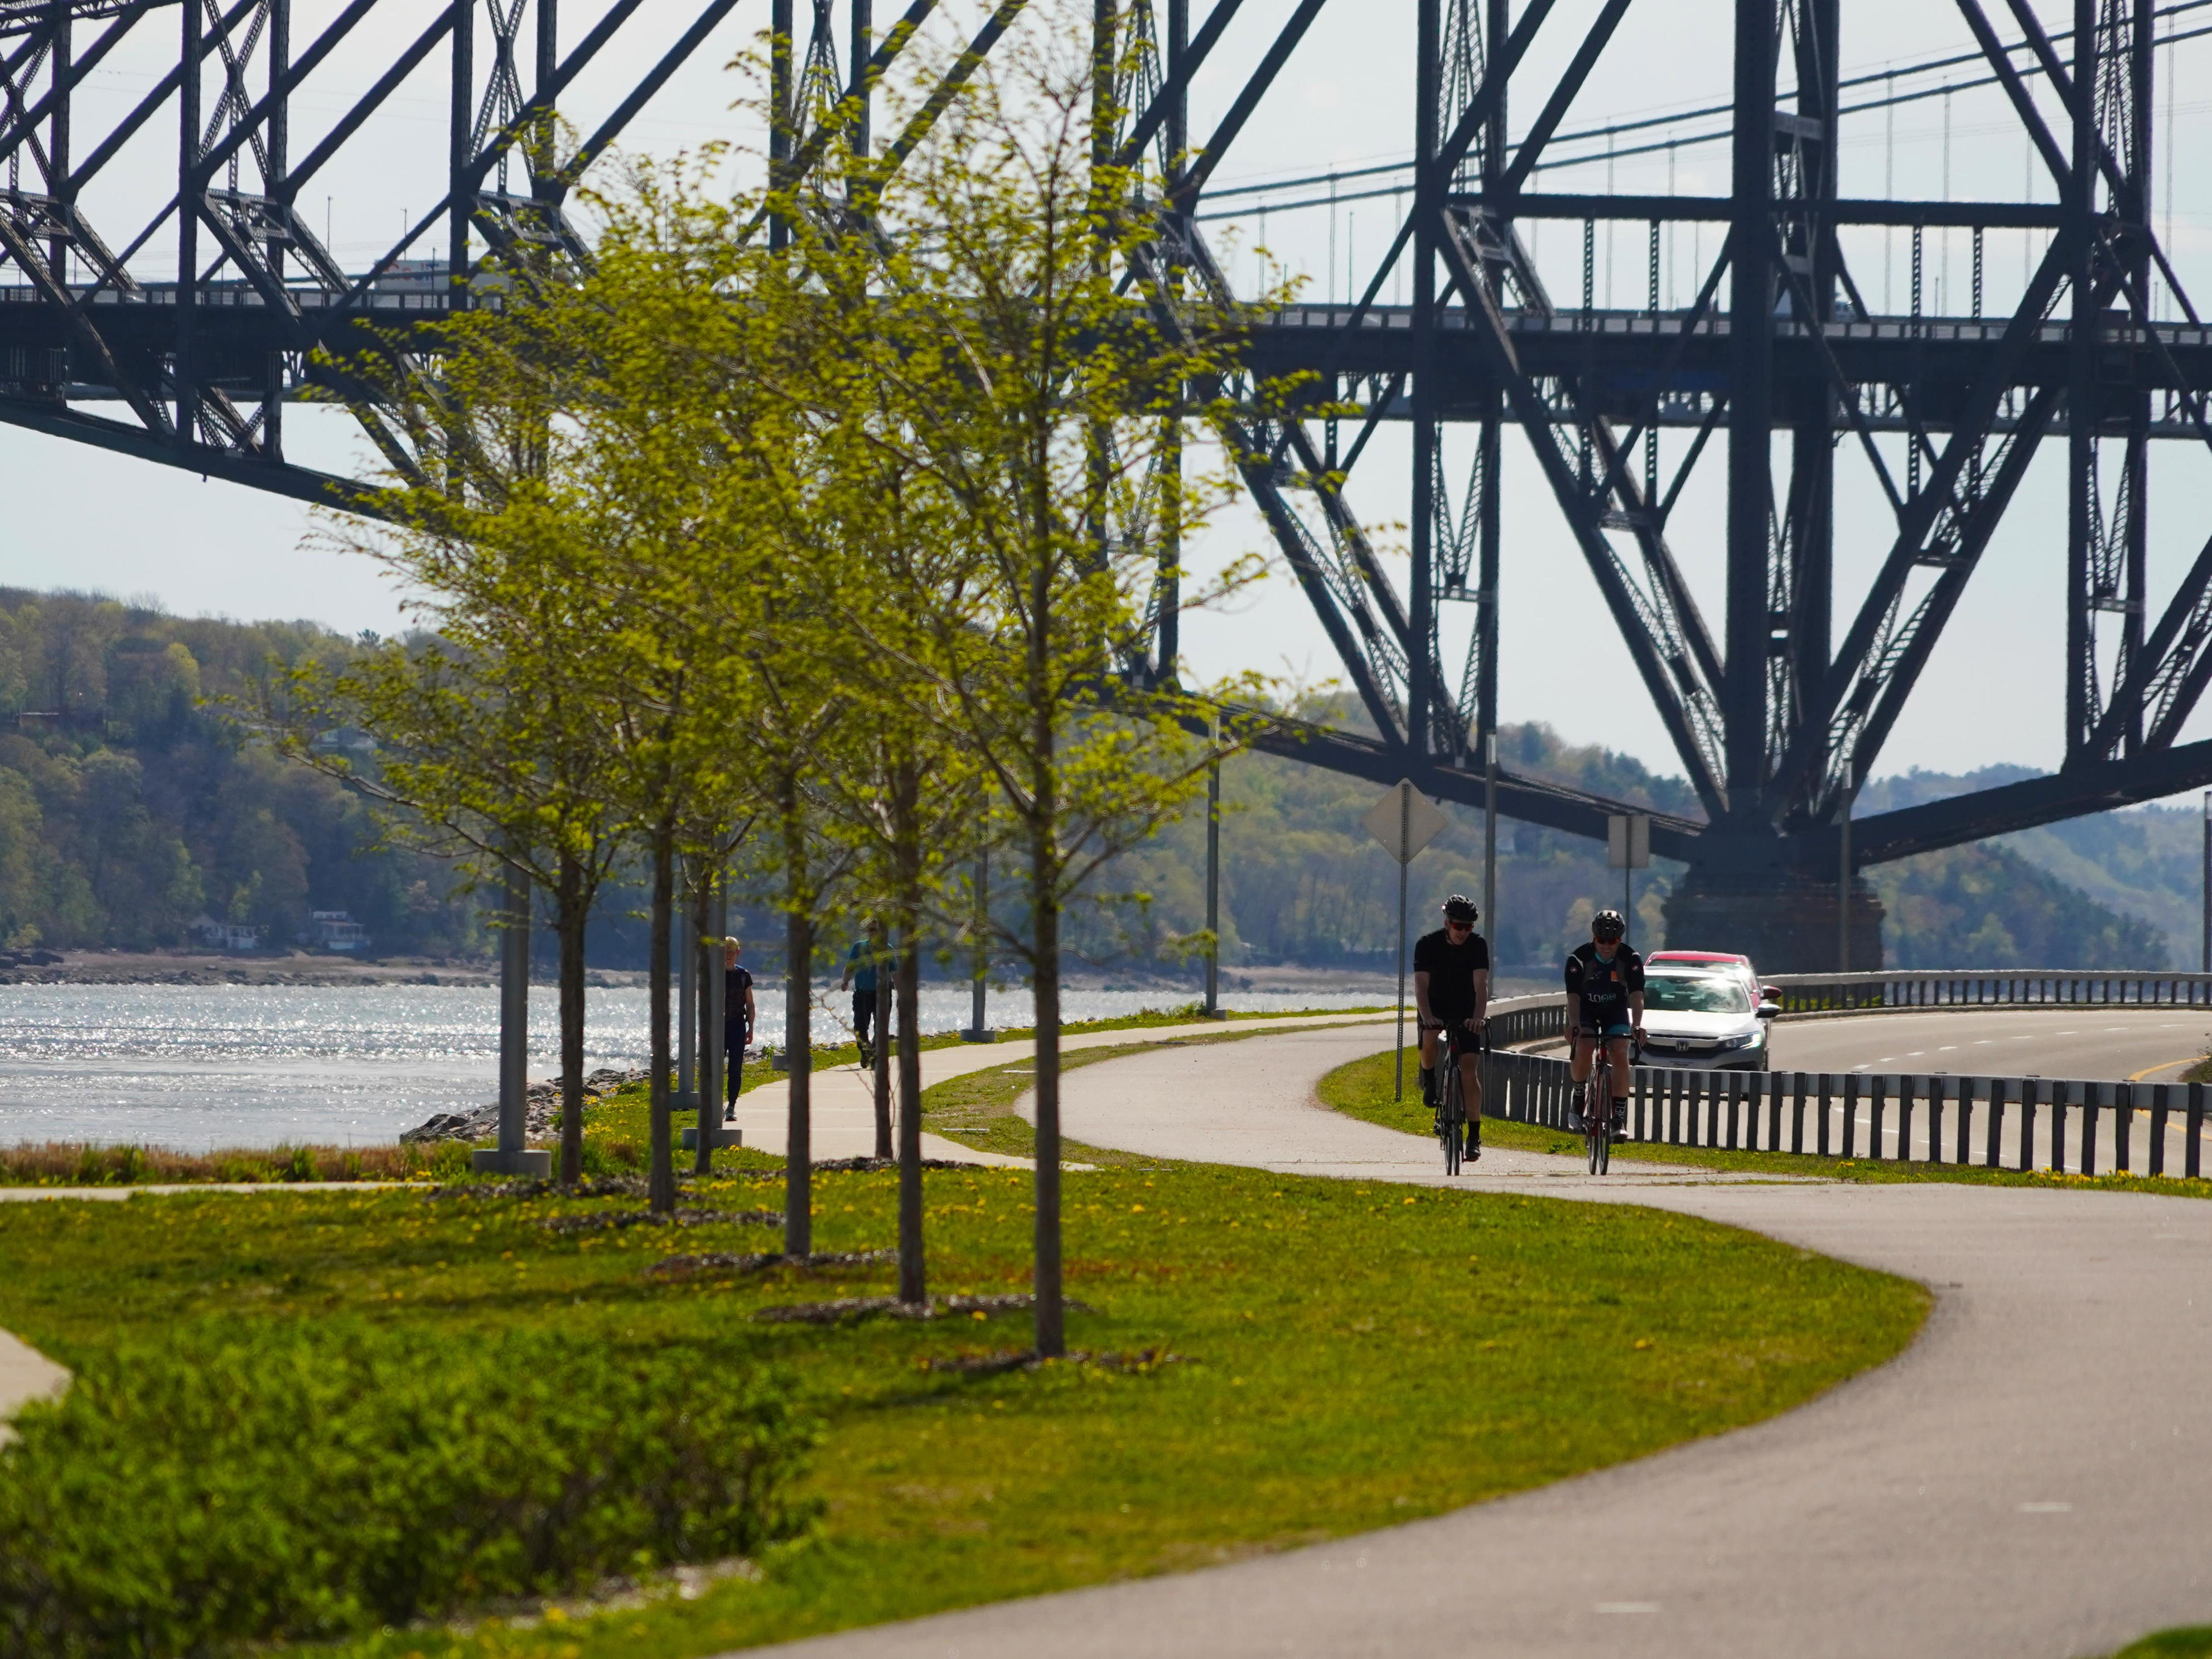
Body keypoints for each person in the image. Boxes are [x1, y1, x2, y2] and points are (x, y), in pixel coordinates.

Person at [1412, 893, 1490, 1161]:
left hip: (1466, 1010)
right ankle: (1430, 1081)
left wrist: (1478, 1018)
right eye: (1459, 926)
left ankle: (1474, 1135)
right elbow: (1421, 986)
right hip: (1434, 1007)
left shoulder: (1478, 945)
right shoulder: (1427, 945)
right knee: (1429, 1037)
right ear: (1447, 923)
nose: (1464, 932)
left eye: (1469, 927)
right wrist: (1427, 1017)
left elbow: (1481, 987)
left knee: (1469, 1069)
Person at [1565, 909, 1644, 1140]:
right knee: (1584, 1045)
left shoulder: (1631, 959)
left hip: (1615, 1011)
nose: (1607, 946)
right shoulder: (1579, 959)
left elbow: (1637, 995)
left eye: (1613, 941)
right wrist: (1574, 1025)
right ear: (1594, 938)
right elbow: (1573, 997)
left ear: (1620, 940)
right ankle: (1579, 1094)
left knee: (1620, 1051)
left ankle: (1618, 1118)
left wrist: (1637, 1025)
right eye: (1602, 941)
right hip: (1586, 1010)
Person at [722, 936, 756, 1122]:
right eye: (725, 952)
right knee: (714, 1067)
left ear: (738, 953)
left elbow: (750, 1004)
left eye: (731, 952)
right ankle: (715, 1102)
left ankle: (731, 1106)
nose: (728, 955)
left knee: (735, 1068)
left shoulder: (744, 976)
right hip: (718, 1026)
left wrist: (750, 1028)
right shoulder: (715, 974)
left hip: (737, 1025)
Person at [839, 934, 880, 1065]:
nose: (873, 933)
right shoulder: (859, 947)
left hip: (881, 995)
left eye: (876, 930)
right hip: (862, 994)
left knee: (881, 1028)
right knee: (860, 1027)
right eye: (871, 930)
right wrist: (845, 981)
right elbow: (850, 966)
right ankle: (866, 1051)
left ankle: (875, 1054)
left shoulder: (886, 949)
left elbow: (894, 971)